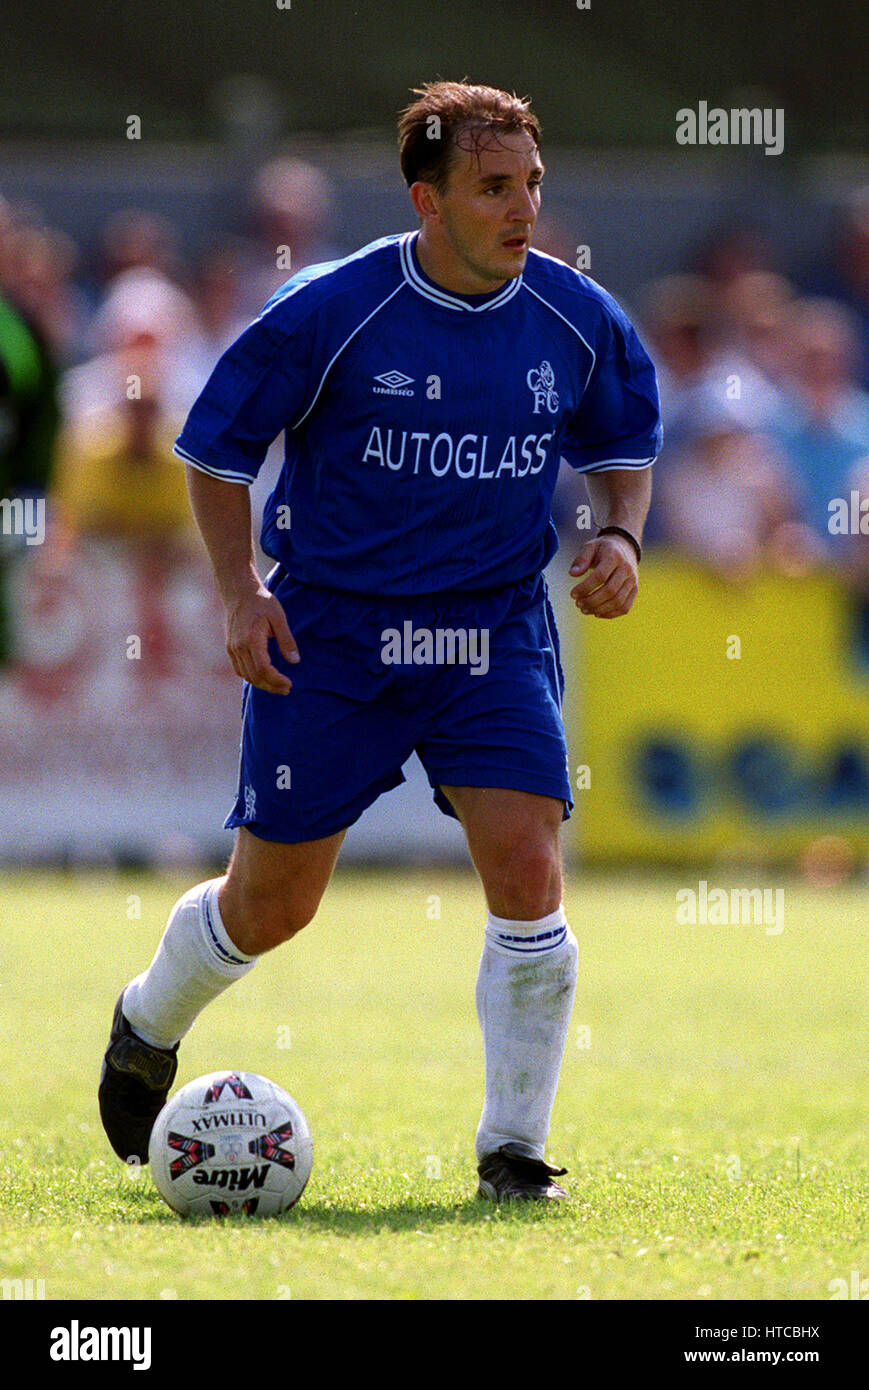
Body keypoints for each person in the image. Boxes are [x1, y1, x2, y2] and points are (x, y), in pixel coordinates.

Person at [99, 81, 661, 1203]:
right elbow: (213, 453)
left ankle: (512, 1151)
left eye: (532, 186)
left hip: (488, 634)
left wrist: (621, 536)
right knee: (274, 905)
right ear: (426, 198)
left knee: (527, 866)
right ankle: (148, 1016)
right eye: (492, 189)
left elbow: (621, 441)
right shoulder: (330, 308)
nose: (521, 210)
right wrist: (239, 590)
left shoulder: (572, 314)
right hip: (336, 637)